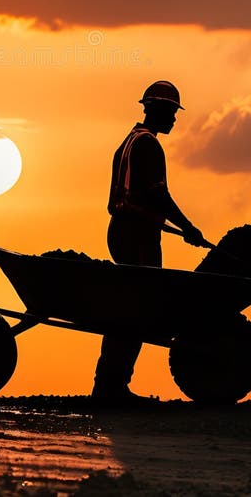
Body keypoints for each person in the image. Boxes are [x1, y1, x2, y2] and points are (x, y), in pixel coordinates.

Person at [92, 81, 207, 406]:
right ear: (156, 109)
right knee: (136, 311)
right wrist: (188, 228)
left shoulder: (128, 142)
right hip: (137, 235)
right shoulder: (149, 146)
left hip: (122, 230)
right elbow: (159, 194)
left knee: (128, 310)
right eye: (171, 112)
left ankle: (108, 385)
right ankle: (112, 387)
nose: (174, 119)